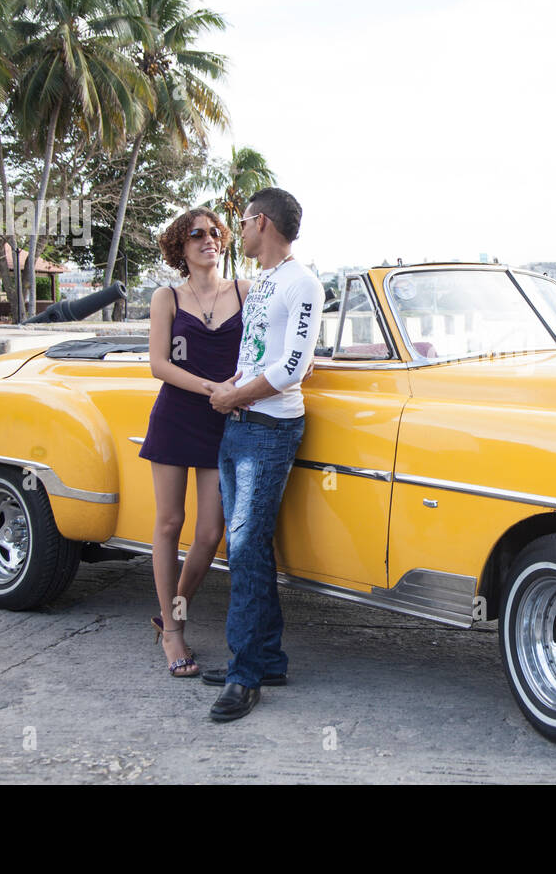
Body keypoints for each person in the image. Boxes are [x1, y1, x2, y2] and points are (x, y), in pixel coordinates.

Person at [202, 187, 325, 722]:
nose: (239, 230)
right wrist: (234, 382)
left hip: (268, 429)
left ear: (264, 223)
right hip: (242, 422)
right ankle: (265, 657)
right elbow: (259, 353)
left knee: (245, 547)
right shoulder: (265, 283)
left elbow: (294, 366)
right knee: (247, 546)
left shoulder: (302, 283)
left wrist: (235, 395)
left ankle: (244, 674)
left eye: (243, 220)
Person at [139, 207, 249, 678]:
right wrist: (211, 388)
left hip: (223, 422)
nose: (209, 239)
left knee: (209, 533)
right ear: (180, 248)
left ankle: (171, 612)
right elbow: (158, 365)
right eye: (196, 235)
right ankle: (173, 634)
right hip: (177, 416)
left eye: (215, 233)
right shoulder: (167, 297)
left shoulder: (246, 291)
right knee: (169, 523)